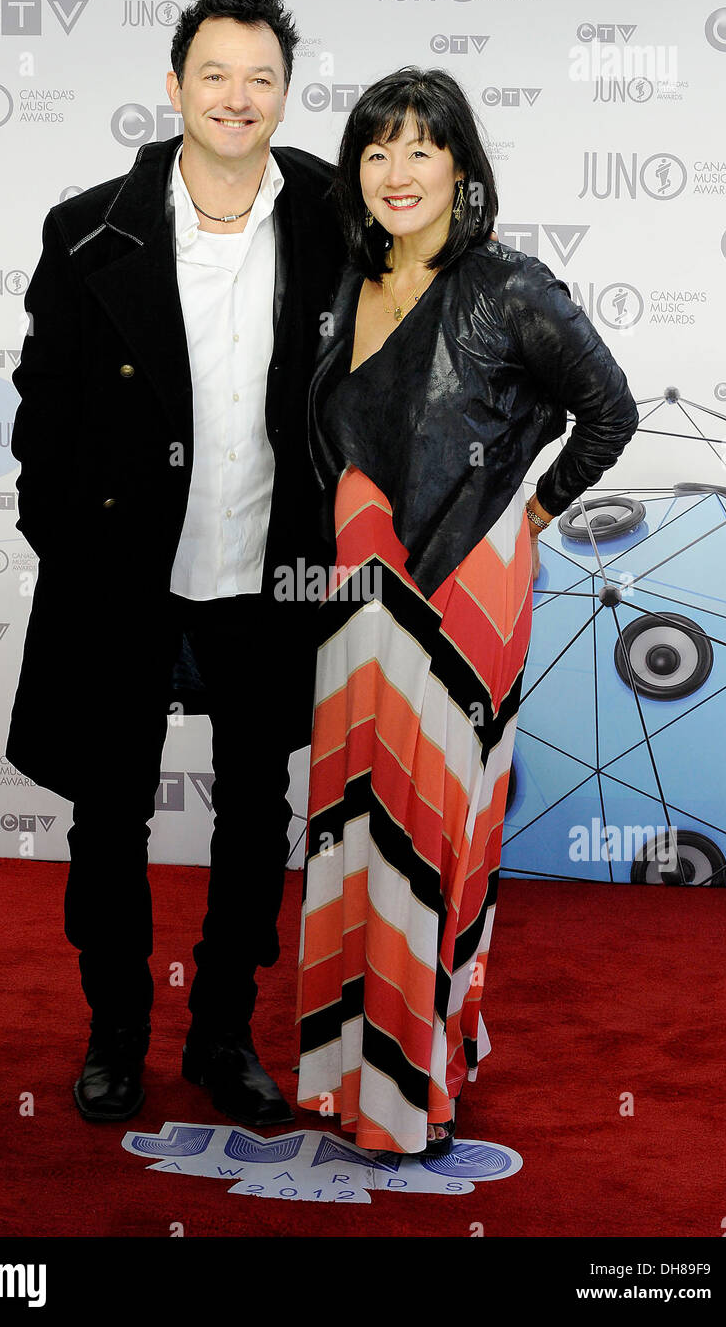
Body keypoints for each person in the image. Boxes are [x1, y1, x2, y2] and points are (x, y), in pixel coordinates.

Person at [5, 0, 346, 1125]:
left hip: (272, 565)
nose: (237, 98)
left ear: (283, 95)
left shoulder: (334, 215)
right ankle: (115, 1032)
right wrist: (61, 530)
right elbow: (42, 400)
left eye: (260, 78)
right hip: (122, 570)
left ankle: (221, 1033)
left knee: (258, 811)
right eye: (215, 74)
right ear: (174, 87)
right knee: (110, 812)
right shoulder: (89, 223)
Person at [295, 67, 640, 1158]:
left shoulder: (508, 284)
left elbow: (609, 410)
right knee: (359, 829)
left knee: (432, 835)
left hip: (460, 595)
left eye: (421, 150)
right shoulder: (347, 282)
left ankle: (416, 1086)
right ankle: (352, 1072)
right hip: (359, 592)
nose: (398, 174)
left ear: (460, 167)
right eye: (376, 151)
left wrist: (529, 513)